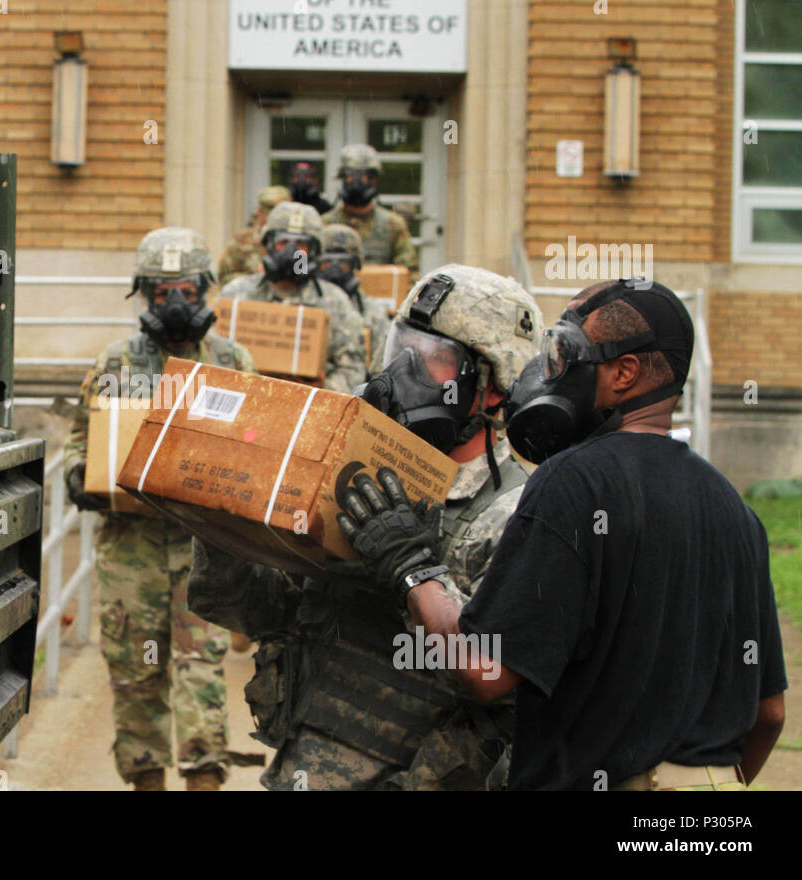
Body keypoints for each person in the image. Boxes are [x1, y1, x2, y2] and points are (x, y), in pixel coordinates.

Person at [338, 278, 788, 790]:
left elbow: (486, 672)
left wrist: (410, 565)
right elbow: (769, 713)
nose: (550, 372)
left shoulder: (572, 483)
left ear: (625, 373)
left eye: (566, 354)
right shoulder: (735, 509)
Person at [189, 266, 545, 790]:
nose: (402, 373)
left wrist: (414, 571)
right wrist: (219, 524)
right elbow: (261, 614)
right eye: (400, 348)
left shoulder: (517, 515)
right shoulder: (358, 475)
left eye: (432, 359)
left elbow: (505, 694)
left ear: (492, 389)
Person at [63, 227, 257, 792]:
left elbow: (257, 443)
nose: (174, 304)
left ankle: (204, 779)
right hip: (132, 549)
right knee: (136, 670)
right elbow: (83, 437)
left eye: (186, 292)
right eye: (161, 291)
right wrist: (83, 474)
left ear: (204, 292)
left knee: (200, 670)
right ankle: (146, 780)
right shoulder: (118, 361)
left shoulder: (231, 360)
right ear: (142, 294)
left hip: (206, 548)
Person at [219, 201, 366, 394]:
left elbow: (353, 371)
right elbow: (214, 360)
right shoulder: (237, 295)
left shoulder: (335, 302)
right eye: (283, 242)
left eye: (301, 244)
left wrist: (320, 389)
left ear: (314, 251)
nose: (291, 252)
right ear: (269, 246)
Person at [321, 144, 417, 276]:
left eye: (363, 175)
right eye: (351, 175)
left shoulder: (393, 224)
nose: (356, 181)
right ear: (342, 178)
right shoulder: (324, 224)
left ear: (374, 180)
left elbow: (408, 272)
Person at [317, 223, 392, 377]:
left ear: (355, 265)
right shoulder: (306, 305)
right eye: (327, 263)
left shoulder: (372, 314)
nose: (334, 270)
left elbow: (384, 370)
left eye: (343, 264)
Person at [217, 185, 290, 288]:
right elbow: (223, 278)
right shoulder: (241, 240)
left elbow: (304, 274)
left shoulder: (298, 242)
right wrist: (255, 276)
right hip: (252, 300)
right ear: (260, 212)